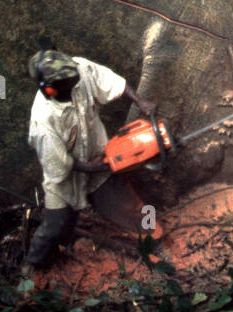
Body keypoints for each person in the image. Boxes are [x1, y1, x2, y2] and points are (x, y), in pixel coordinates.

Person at [23, 48, 156, 273]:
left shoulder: (79, 69)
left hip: (98, 154)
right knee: (56, 225)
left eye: (75, 82)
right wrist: (88, 167)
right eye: (68, 87)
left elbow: (111, 81)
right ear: (49, 90)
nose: (76, 86)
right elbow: (56, 163)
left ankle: (155, 240)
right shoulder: (43, 120)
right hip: (66, 178)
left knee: (125, 204)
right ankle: (32, 265)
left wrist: (139, 101)